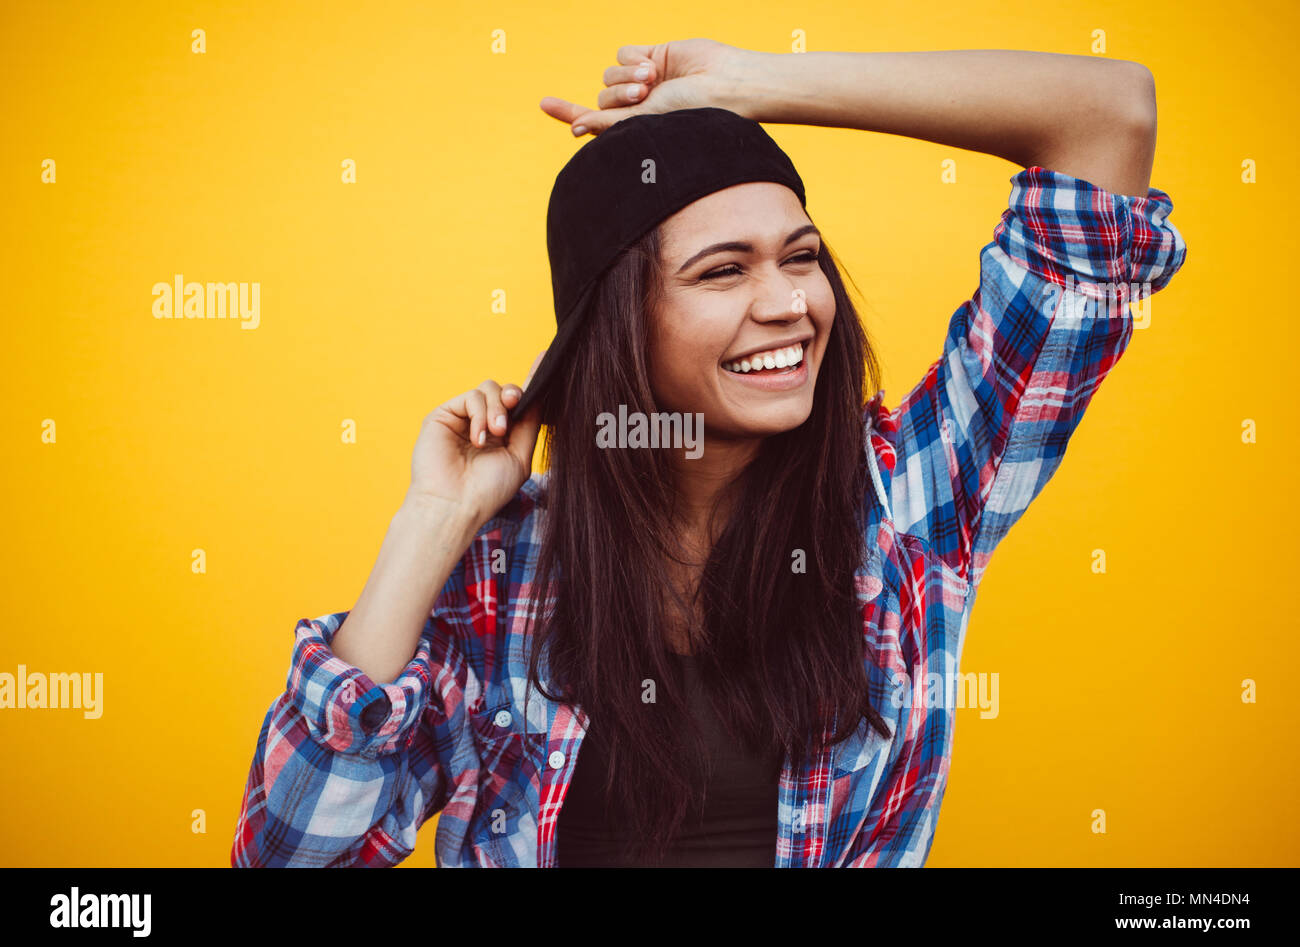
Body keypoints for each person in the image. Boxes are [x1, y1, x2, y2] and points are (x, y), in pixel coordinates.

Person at [231, 40, 1187, 867]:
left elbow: (1108, 116)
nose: (788, 303)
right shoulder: (500, 565)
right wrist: (431, 524)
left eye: (802, 256)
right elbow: (293, 856)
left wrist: (757, 85)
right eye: (723, 270)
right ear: (622, 328)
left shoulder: (910, 498)